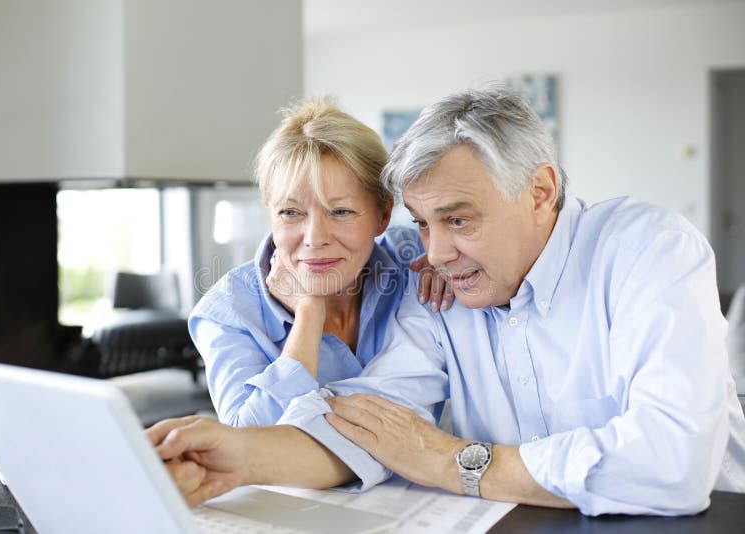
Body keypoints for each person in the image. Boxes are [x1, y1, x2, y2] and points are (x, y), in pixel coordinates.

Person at [148, 86, 745, 515]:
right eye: (424, 224)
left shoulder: (647, 250)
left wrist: (452, 461)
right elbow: (372, 416)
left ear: (540, 192)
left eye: (458, 220)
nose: (433, 253)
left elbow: (674, 466)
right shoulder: (443, 292)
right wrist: (239, 454)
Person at [188, 97, 450, 427]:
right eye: (290, 212)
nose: (314, 237)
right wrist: (309, 313)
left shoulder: (411, 258)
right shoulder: (228, 311)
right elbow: (248, 439)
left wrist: (449, 265)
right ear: (269, 213)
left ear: (383, 215)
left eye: (340, 212)